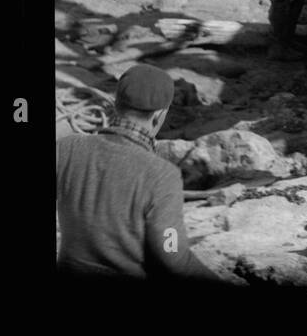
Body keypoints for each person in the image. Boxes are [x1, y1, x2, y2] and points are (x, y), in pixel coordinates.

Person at [56, 65, 219, 280]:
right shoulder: (162, 175)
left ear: (115, 103)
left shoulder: (67, 148)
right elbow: (172, 255)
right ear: (159, 115)